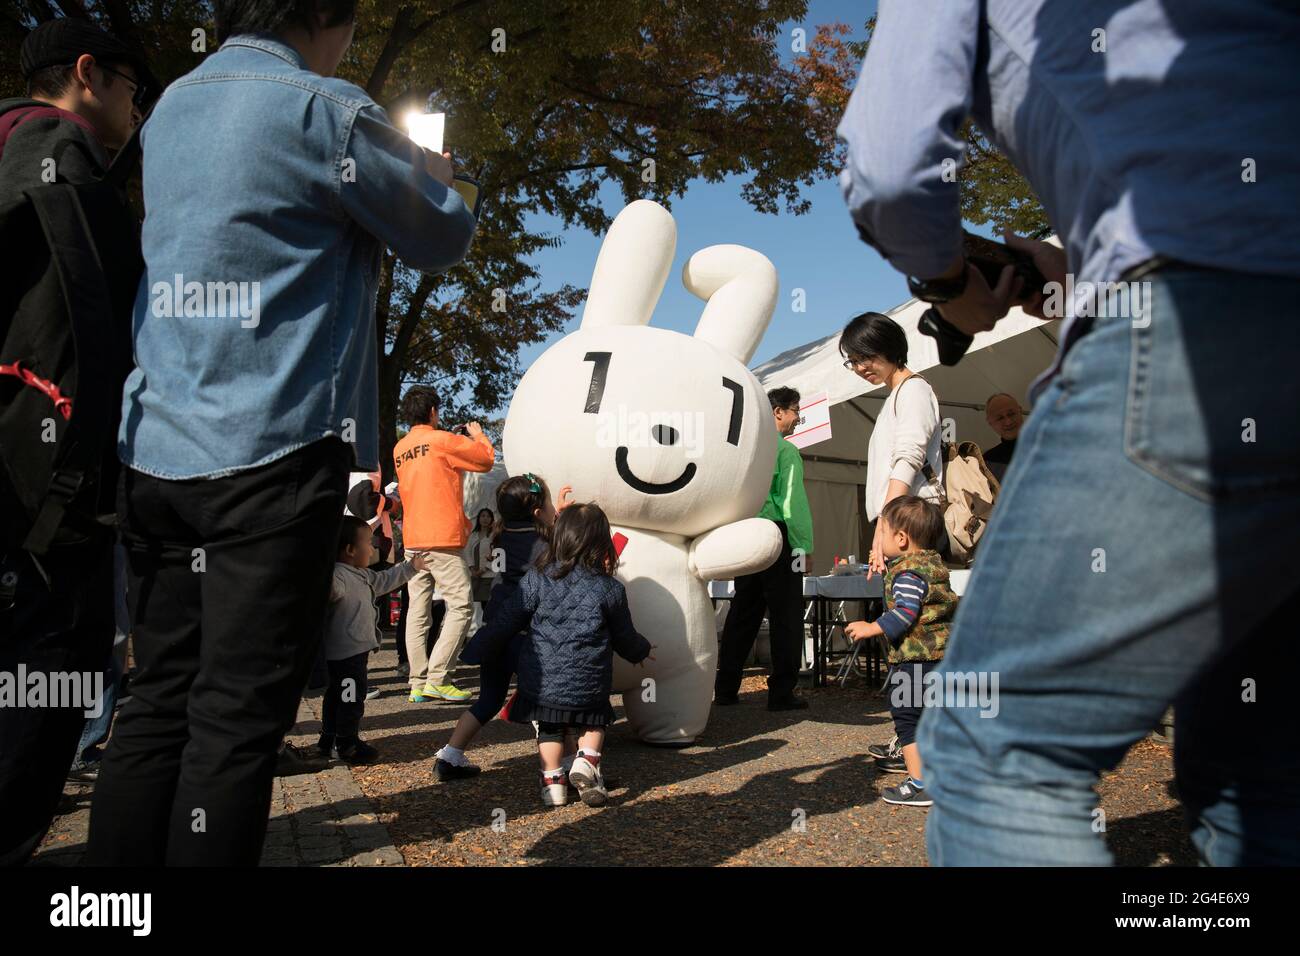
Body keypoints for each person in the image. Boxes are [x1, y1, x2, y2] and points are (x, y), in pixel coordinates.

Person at [838, 0, 1300, 865]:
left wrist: (945, 274)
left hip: (1204, 313)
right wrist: (1070, 277)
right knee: (1261, 763)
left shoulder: (916, 399)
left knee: (992, 753)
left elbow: (890, 169)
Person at [87, 0, 477, 867]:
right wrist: (441, 171)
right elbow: (440, 233)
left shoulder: (173, 107)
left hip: (153, 446)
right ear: (325, 17)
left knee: (156, 700)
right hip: (271, 449)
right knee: (234, 717)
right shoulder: (327, 109)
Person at [0, 17, 150, 866]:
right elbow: (99, 340)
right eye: (134, 87)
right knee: (37, 711)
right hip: (44, 511)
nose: (137, 108)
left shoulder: (8, 146)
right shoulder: (65, 162)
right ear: (88, 74)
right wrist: (88, 493)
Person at [465, 503, 653, 807]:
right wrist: (641, 650)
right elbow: (624, 636)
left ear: (559, 537)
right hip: (589, 681)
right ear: (601, 541)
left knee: (549, 729)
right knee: (593, 722)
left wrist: (479, 646)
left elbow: (507, 620)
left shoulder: (536, 579)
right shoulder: (610, 589)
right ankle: (586, 762)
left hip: (542, 681)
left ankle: (553, 785)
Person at [434, 474, 570, 781]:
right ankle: (567, 768)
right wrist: (562, 518)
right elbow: (560, 561)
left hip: (496, 630)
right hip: (528, 634)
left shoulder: (501, 534)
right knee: (551, 702)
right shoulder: (545, 541)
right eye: (548, 503)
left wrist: (554, 513)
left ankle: (450, 756)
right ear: (538, 512)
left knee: (489, 698)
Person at [845, 496, 957, 808]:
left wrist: (872, 626)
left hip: (915, 662)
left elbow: (906, 612)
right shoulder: (932, 565)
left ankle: (921, 784)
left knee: (908, 721)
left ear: (901, 539)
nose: (877, 540)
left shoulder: (907, 574)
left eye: (882, 533)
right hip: (943, 659)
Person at [392, 386, 495, 703]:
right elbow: (485, 460)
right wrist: (478, 435)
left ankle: (417, 682)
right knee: (461, 606)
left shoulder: (400, 448)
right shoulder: (443, 441)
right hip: (442, 538)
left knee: (417, 611)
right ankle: (439, 677)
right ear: (433, 411)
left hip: (413, 539)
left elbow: (429, 466)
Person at [714, 387, 814, 711]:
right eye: (795, 410)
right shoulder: (786, 451)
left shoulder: (744, 449)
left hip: (747, 537)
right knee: (786, 615)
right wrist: (803, 547)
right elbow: (792, 503)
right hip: (780, 538)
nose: (798, 418)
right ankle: (782, 691)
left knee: (743, 612)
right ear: (778, 412)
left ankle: (726, 687)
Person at [839, 313, 943, 574]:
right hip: (901, 520)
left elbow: (909, 458)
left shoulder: (913, 389)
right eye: (852, 362)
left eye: (865, 357)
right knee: (902, 607)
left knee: (912, 609)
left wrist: (886, 521)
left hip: (910, 521)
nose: (860, 368)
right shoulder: (897, 395)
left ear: (887, 346)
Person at [321, 516, 429, 764]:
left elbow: (384, 581)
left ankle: (330, 739)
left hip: (354, 653)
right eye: (368, 543)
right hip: (344, 655)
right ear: (349, 550)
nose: (372, 548)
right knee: (350, 699)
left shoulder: (362, 574)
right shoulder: (339, 577)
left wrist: (410, 567)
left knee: (339, 697)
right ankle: (346, 742)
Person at [981, 393, 1022, 484]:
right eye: (1000, 418)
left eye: (1011, 414)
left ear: (1020, 411)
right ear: (990, 423)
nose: (1008, 422)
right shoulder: (987, 463)